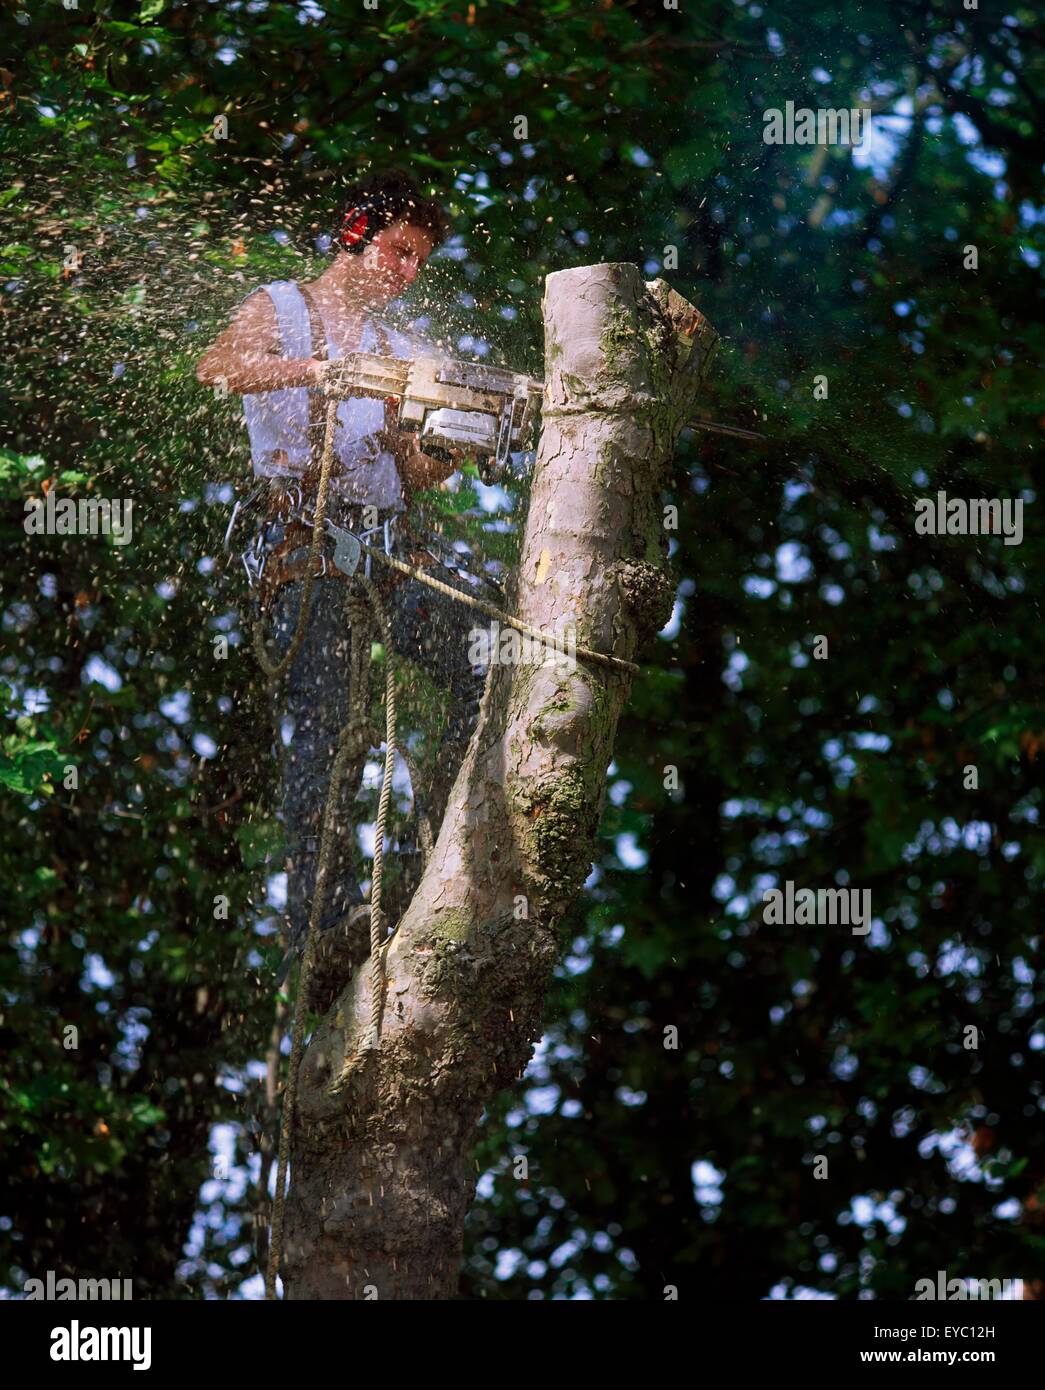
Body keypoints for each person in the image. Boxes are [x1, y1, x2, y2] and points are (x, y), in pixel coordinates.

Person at [196, 169, 490, 1007]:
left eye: (419, 261)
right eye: (399, 249)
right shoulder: (282, 306)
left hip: (390, 555)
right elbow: (218, 368)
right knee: (325, 737)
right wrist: (318, 368)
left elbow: (410, 468)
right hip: (308, 550)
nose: (405, 269)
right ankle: (317, 929)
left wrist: (448, 445)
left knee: (485, 654)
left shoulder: (400, 351)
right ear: (358, 230)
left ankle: (436, 863)